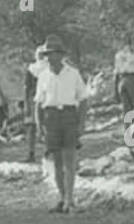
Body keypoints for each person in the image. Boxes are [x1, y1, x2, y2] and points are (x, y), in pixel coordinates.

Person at [34, 34, 88, 213]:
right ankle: (62, 196)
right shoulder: (43, 76)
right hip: (51, 117)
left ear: (60, 55)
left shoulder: (72, 74)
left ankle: (70, 199)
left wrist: (81, 123)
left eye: (53, 53)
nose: (50, 57)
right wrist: (39, 125)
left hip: (68, 114)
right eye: (47, 54)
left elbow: (83, 99)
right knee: (56, 161)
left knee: (70, 160)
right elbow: (38, 103)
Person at [24, 52, 45, 163]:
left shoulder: (48, 68)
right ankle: (32, 153)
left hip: (41, 99)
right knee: (32, 128)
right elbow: (27, 88)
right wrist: (27, 104)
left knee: (35, 127)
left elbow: (26, 88)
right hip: (36, 99)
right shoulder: (32, 69)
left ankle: (44, 153)